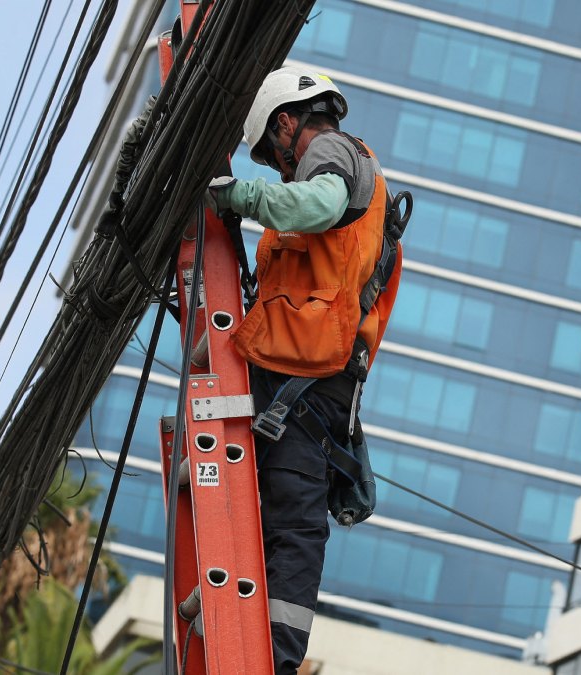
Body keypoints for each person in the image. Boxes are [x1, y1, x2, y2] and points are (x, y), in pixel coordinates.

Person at [205, 65, 403, 674]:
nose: (279, 170)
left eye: (273, 155)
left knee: (292, 522)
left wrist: (240, 195)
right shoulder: (321, 156)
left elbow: (318, 205)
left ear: (287, 122)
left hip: (310, 387)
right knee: (269, 520)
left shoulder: (331, 149)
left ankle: (273, 662)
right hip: (290, 375)